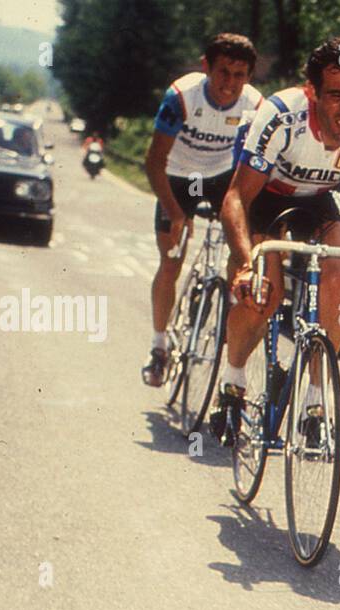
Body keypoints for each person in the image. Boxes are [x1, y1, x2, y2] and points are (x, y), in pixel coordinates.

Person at [208, 35, 340, 445]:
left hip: (320, 197)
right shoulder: (281, 114)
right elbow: (236, 198)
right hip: (266, 196)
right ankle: (234, 379)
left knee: (339, 271)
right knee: (265, 290)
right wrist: (246, 265)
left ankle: (315, 401)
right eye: (334, 96)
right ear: (311, 91)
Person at [141, 32, 263, 387]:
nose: (229, 84)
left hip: (223, 175)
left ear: (250, 77)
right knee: (171, 260)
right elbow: (153, 162)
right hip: (178, 176)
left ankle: (227, 299)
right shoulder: (181, 97)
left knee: (243, 248)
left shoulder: (255, 105)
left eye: (239, 75)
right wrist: (177, 214)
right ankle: (159, 346)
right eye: (223, 72)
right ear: (206, 67)